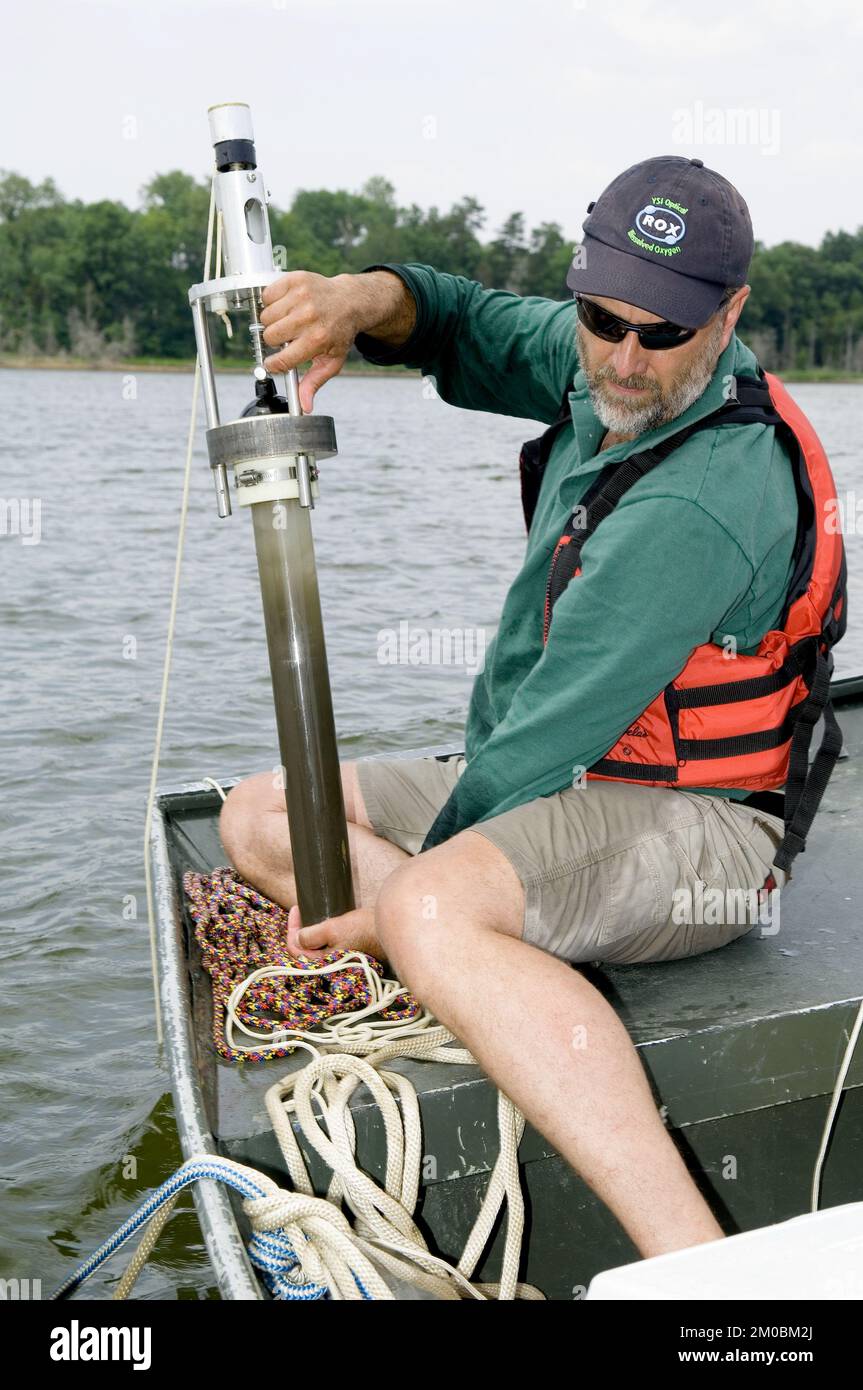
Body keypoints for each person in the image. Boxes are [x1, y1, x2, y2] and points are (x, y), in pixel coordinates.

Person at [219, 156, 841, 1259]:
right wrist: (359, 301)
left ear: (730, 312)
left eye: (662, 333)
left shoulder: (705, 494)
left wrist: (404, 912)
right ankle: (457, 948)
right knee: (265, 814)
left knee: (426, 912)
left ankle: (702, 1270)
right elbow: (454, 317)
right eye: (600, 319)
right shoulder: (602, 352)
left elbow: (548, 730)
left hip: (698, 828)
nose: (623, 357)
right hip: (561, 781)